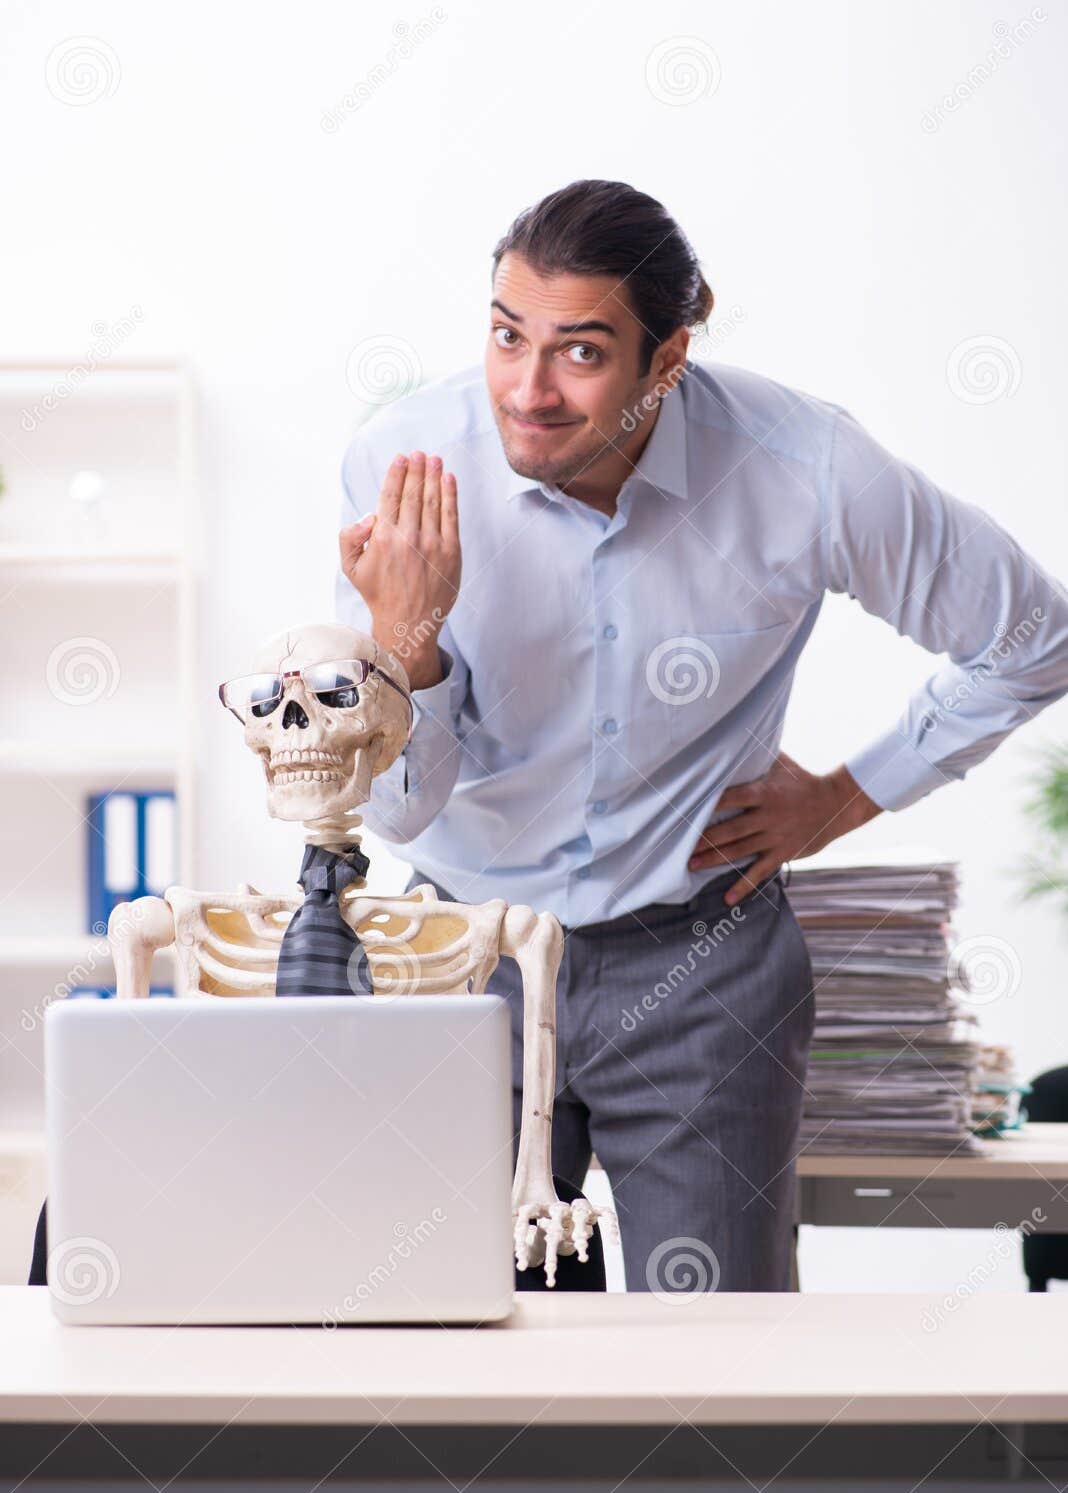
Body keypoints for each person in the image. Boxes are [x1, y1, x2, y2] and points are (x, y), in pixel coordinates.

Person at [335, 178, 1068, 1294]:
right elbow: (396, 812)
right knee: (459, 1330)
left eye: (581, 353)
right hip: (466, 959)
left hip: (701, 973)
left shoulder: (805, 467)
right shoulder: (408, 467)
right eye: (507, 336)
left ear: (667, 360)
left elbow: (1032, 637)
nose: (527, 391)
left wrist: (848, 794)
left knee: (720, 1353)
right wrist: (407, 640)